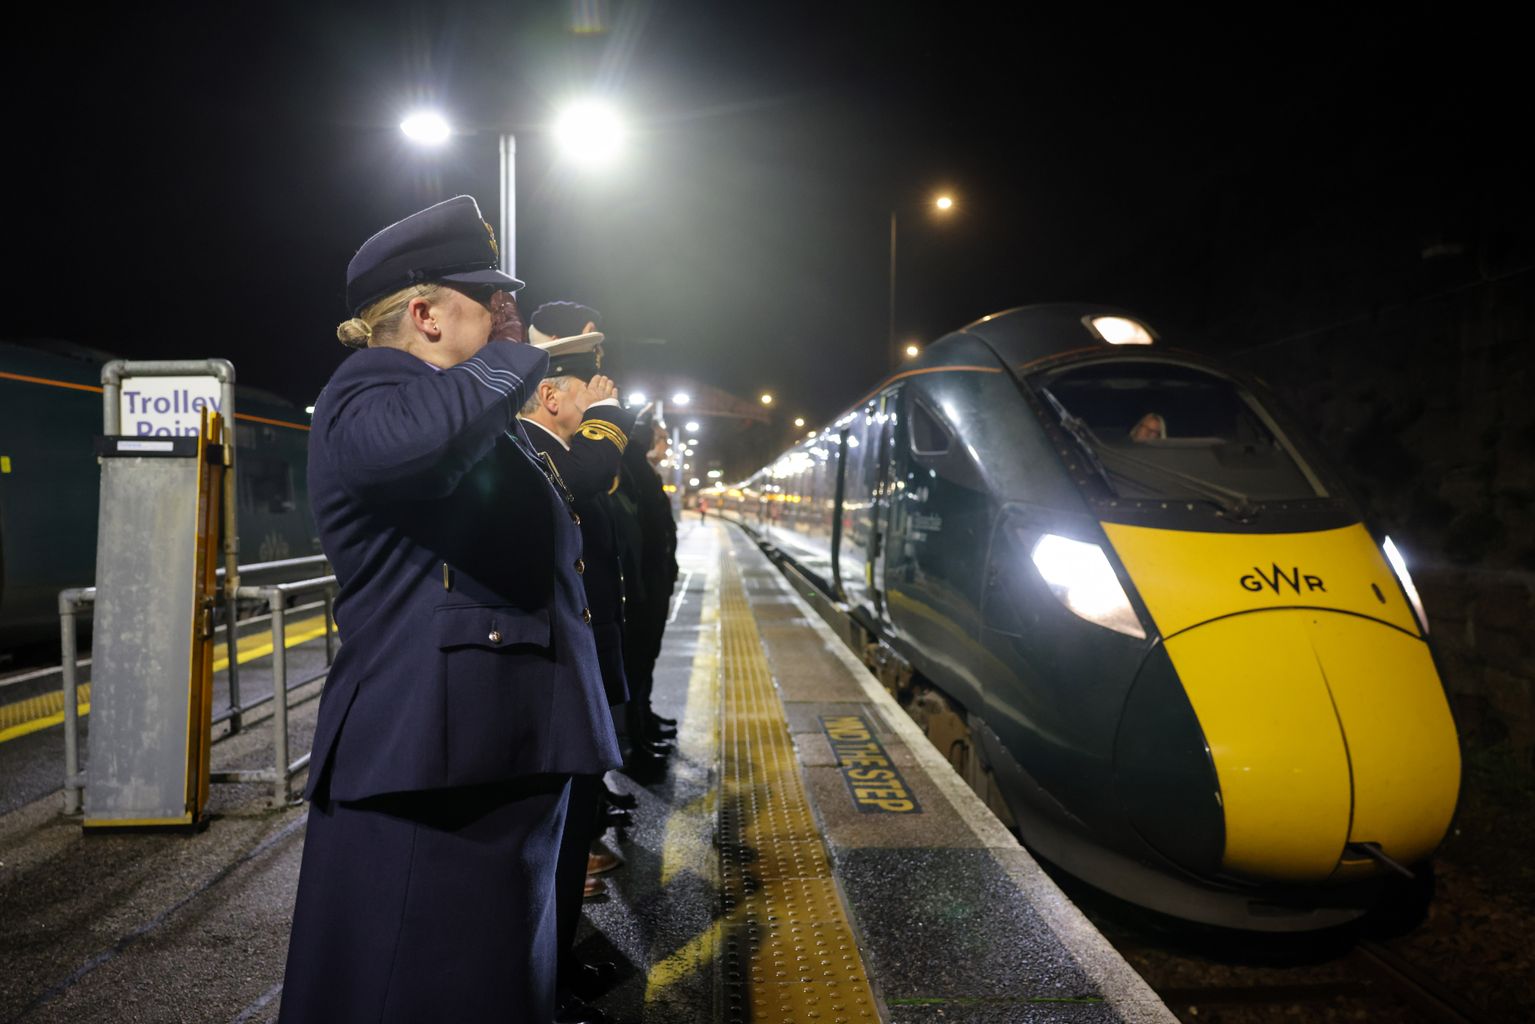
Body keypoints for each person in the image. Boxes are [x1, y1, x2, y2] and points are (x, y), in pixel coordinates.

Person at [279, 196, 620, 1024]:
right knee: (424, 987)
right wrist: (510, 363)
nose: (509, 316)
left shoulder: (461, 409)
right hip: (433, 766)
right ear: (425, 314)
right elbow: (410, 448)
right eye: (488, 300)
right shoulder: (370, 389)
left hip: (484, 754)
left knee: (485, 982)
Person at [518, 301, 643, 1024]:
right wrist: (613, 416)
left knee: (568, 834)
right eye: (580, 395)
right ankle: (547, 983)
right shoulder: (537, 453)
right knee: (556, 839)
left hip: (576, 663)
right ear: (553, 394)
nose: (587, 408)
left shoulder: (551, 454)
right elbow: (593, 469)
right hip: (552, 673)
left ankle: (557, 967)